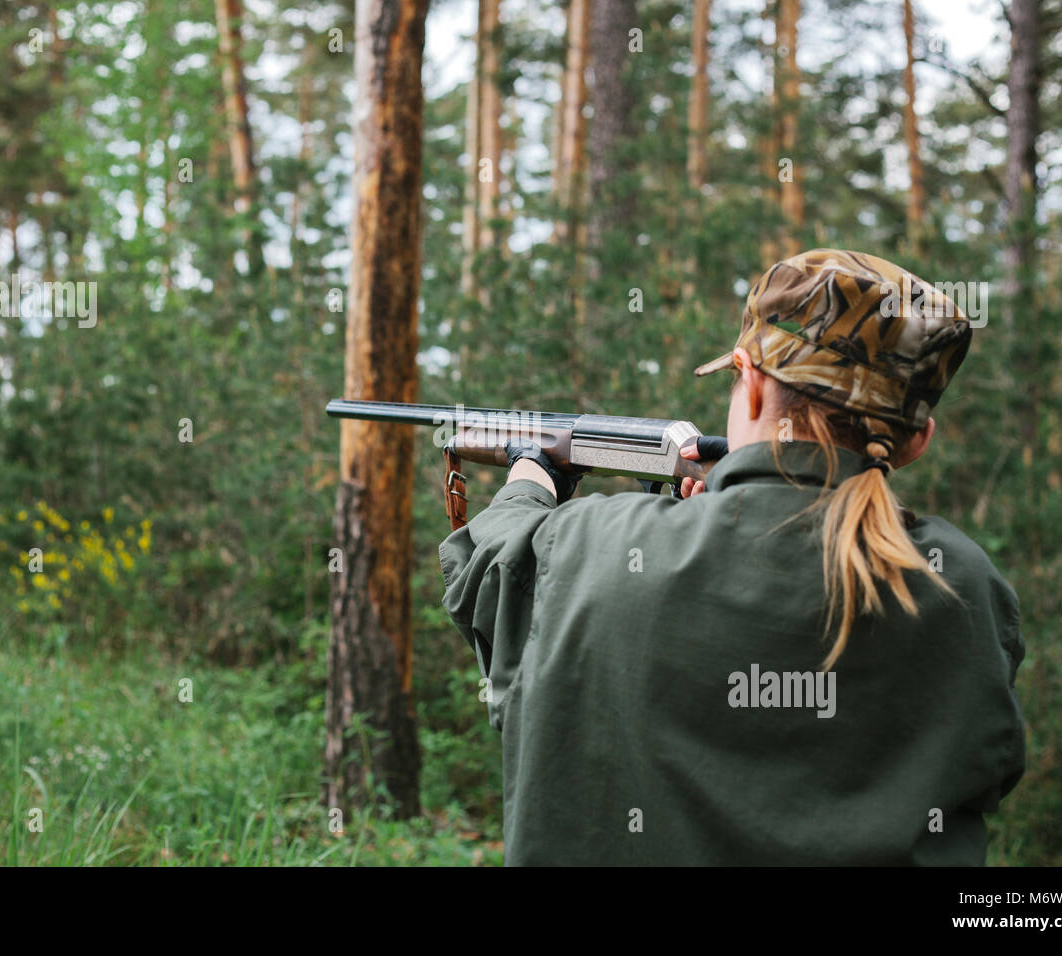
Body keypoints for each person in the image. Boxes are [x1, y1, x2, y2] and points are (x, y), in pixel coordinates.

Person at [438, 249, 1026, 865]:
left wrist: (528, 478)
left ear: (750, 383)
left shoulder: (590, 546)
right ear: (917, 442)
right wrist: (752, 490)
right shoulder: (964, 582)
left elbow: (490, 569)